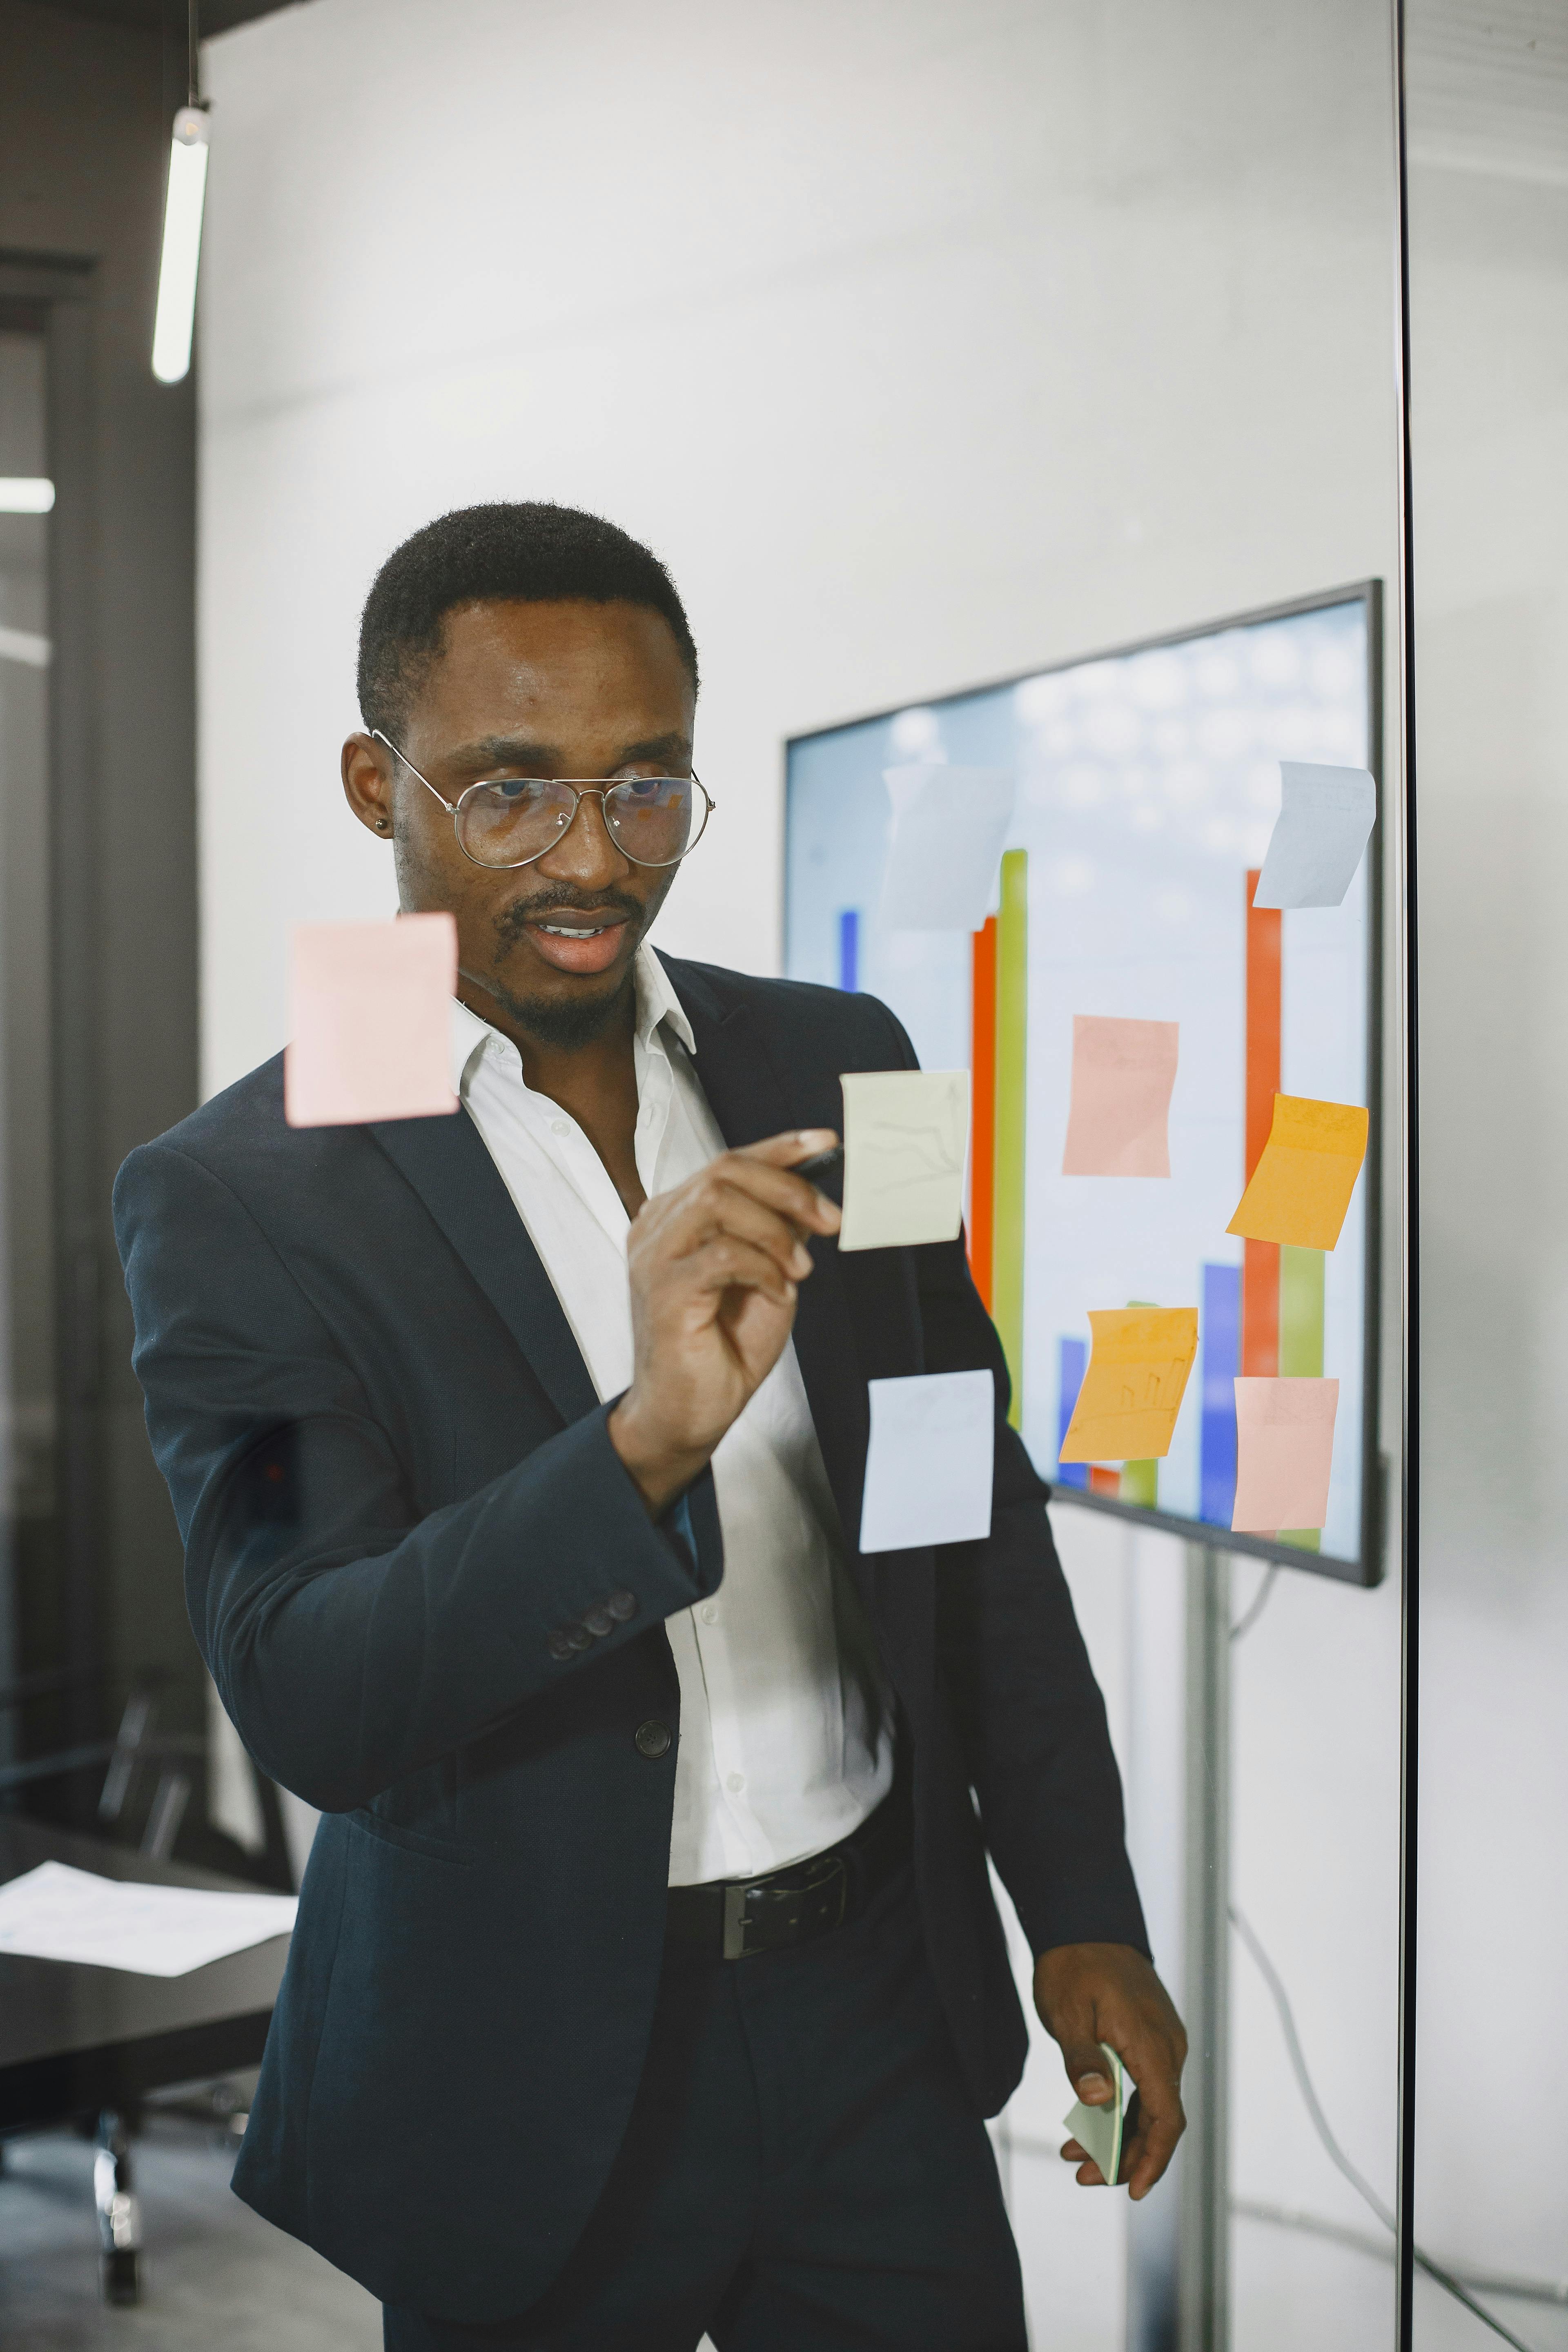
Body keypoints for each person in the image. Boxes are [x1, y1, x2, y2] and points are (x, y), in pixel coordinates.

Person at [114, 502, 1185, 2351]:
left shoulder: (854, 1058)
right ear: (380, 786)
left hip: (877, 2019)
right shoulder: (234, 1196)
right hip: (519, 2065)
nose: (593, 856)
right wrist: (642, 1447)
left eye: (648, 788)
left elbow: (973, 1511)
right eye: (512, 790)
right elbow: (310, 1686)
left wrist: (1082, 1900)